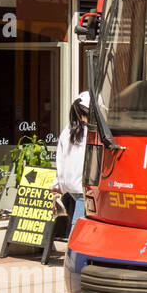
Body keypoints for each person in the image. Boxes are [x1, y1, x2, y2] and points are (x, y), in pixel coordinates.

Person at [56, 91, 90, 237]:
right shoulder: (89, 132)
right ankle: (70, 254)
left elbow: (60, 158)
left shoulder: (67, 131)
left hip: (69, 184)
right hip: (81, 184)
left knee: (78, 220)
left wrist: (58, 183)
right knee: (77, 223)